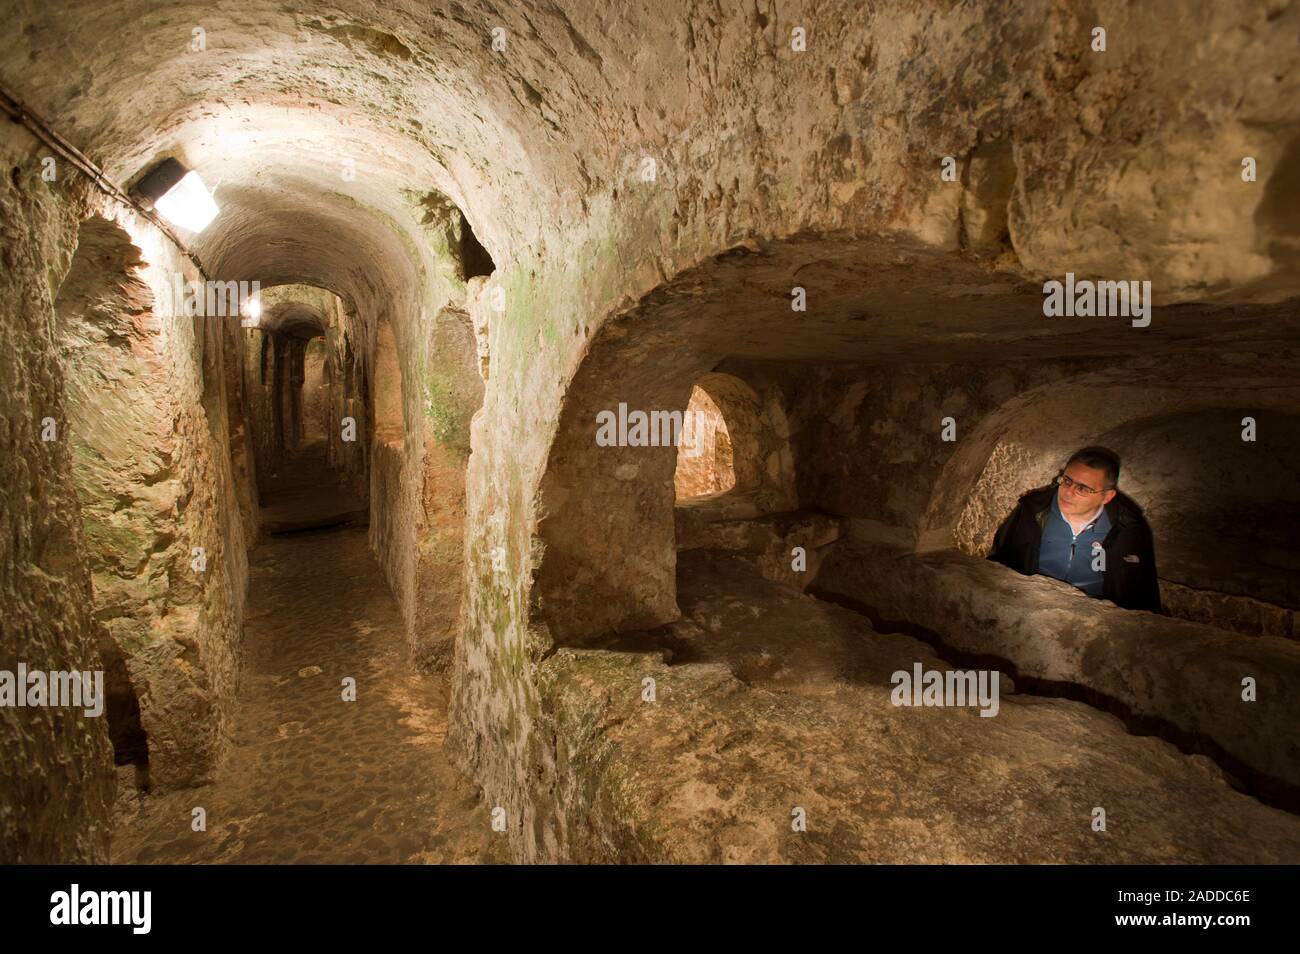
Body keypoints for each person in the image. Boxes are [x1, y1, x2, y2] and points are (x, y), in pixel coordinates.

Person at [988, 446, 1162, 612]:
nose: (1068, 492)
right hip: (1031, 599)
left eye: (1083, 488)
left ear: (1107, 496)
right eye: (1067, 481)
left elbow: (1142, 588)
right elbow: (999, 559)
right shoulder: (1033, 510)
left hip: (1096, 612)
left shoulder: (1127, 528)